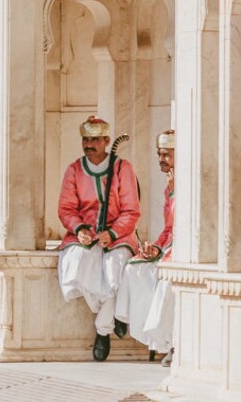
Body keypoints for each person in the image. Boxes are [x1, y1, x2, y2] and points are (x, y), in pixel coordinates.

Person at [57, 116, 141, 362]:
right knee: (78, 267)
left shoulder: (122, 168)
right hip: (83, 236)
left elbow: (131, 211)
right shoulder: (74, 170)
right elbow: (66, 209)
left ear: (106, 141)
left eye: (95, 139)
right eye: (86, 139)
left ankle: (102, 331)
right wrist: (79, 228)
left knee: (115, 272)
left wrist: (112, 233)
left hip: (118, 235)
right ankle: (109, 313)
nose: (89, 144)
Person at [115, 129, 177, 363]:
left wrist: (164, 252)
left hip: (183, 256)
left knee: (166, 278)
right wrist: (155, 248)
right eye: (159, 154)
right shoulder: (169, 188)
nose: (160, 160)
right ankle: (139, 330)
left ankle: (172, 343)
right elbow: (169, 229)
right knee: (135, 267)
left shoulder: (191, 188)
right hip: (168, 251)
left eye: (166, 155)